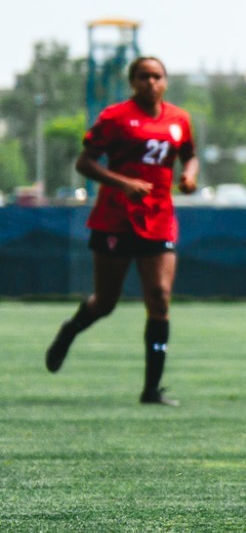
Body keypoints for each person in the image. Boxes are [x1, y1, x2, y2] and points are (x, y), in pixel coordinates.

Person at [44, 56, 199, 405]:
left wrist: (189, 175)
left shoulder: (179, 119)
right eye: (143, 76)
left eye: (157, 76)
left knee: (159, 296)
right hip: (116, 217)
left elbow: (190, 154)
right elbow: (84, 163)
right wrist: (123, 183)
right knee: (106, 302)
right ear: (132, 82)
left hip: (159, 217)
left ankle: (151, 390)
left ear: (166, 81)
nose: (151, 82)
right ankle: (69, 332)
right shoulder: (115, 117)